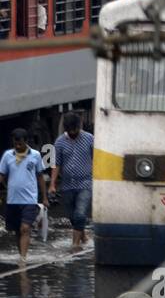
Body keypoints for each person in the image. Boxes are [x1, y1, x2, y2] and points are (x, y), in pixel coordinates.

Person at [0, 129, 48, 267]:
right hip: (12, 200)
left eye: (20, 143)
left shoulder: (35, 155)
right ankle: (22, 252)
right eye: (15, 143)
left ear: (26, 142)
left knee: (25, 228)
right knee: (16, 231)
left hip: (29, 199)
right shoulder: (7, 156)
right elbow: (2, 175)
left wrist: (44, 197)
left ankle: (23, 258)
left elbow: (40, 176)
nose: (17, 146)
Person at [50, 112, 94, 252]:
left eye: (74, 129)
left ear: (79, 126)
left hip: (85, 183)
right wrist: (52, 184)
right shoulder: (59, 142)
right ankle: (84, 238)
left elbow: (97, 159)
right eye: (69, 130)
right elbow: (56, 164)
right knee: (72, 217)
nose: (72, 133)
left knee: (80, 214)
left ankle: (75, 245)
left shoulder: (89, 139)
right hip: (67, 185)